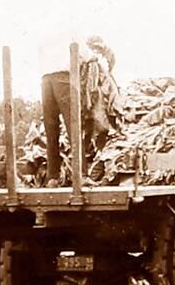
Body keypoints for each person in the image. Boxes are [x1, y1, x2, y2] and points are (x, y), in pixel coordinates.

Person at [38, 33, 117, 186]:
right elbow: (84, 54)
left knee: (51, 130)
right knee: (73, 126)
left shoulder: (45, 34)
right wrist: (99, 57)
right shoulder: (70, 29)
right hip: (63, 78)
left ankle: (52, 177)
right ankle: (81, 175)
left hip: (45, 80)